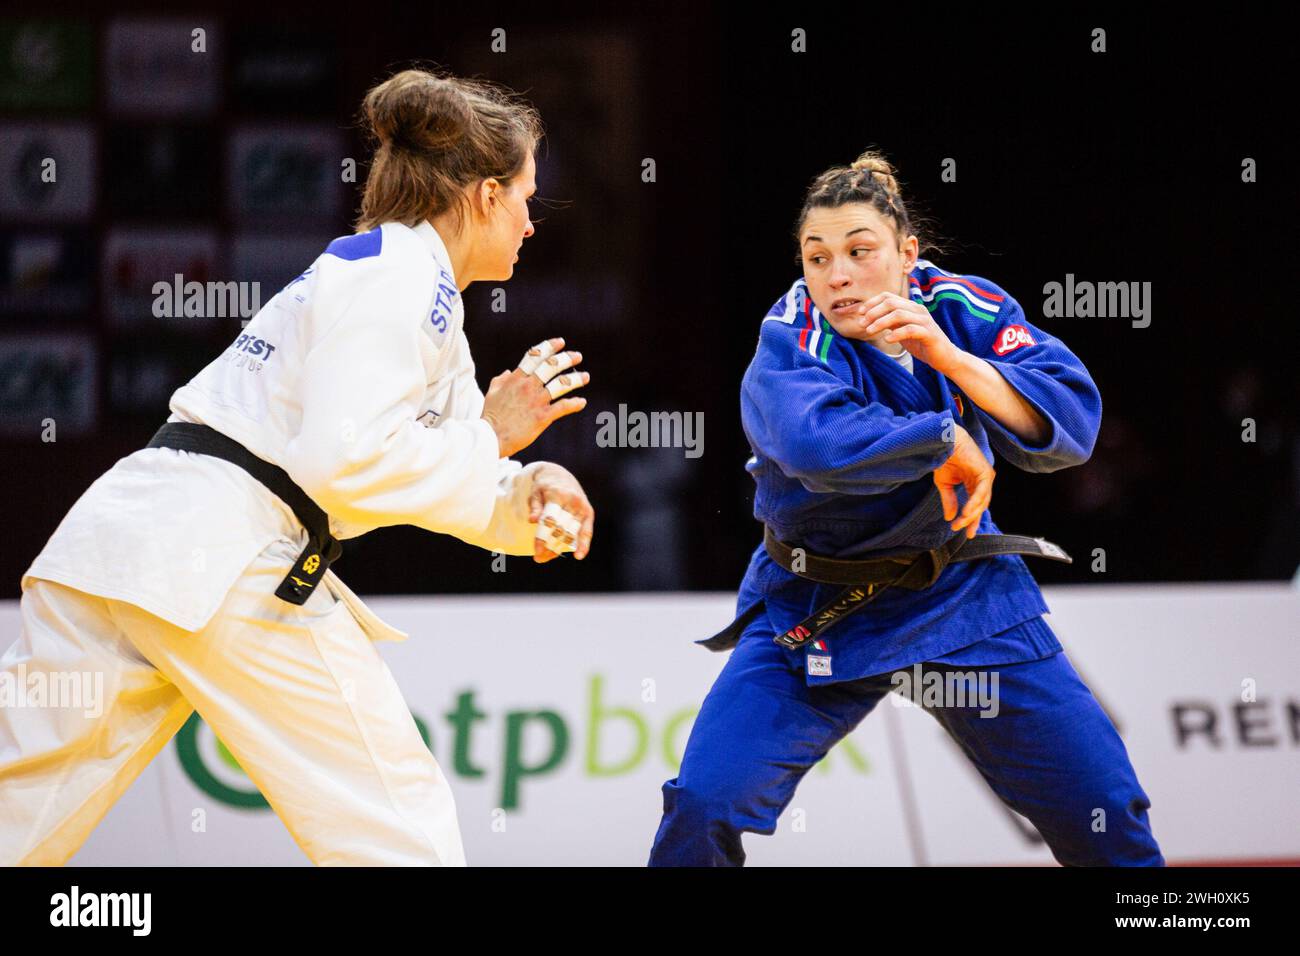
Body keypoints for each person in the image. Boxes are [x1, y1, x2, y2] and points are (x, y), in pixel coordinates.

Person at [0, 68, 594, 866]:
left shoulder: (408, 290)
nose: (531, 223)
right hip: (223, 556)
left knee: (16, 807)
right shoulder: (400, 277)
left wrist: (527, 500)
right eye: (525, 197)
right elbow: (346, 463)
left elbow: (419, 462)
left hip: (129, 543)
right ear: (485, 195)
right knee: (397, 821)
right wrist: (491, 432)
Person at [648, 150, 1164, 867]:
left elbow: (1071, 423)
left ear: (906, 255)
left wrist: (950, 358)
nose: (838, 275)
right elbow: (816, 447)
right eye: (816, 256)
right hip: (818, 605)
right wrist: (943, 437)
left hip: (962, 599)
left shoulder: (959, 304)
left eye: (860, 252)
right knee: (705, 803)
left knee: (1105, 807)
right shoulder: (790, 336)